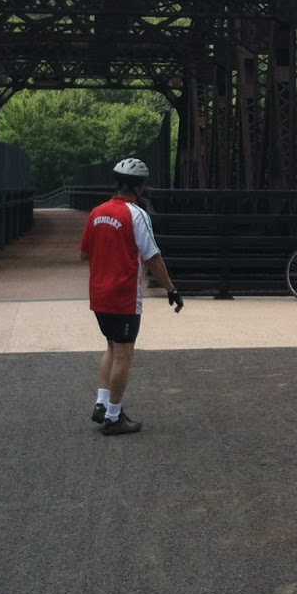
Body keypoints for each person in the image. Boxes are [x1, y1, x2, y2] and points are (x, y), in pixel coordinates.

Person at [79, 156, 185, 436]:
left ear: (116, 184)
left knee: (112, 346)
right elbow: (152, 257)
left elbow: (84, 254)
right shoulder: (136, 214)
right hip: (123, 295)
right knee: (125, 352)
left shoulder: (96, 212)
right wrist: (171, 289)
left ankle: (102, 403)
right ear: (139, 188)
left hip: (98, 293)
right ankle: (114, 417)